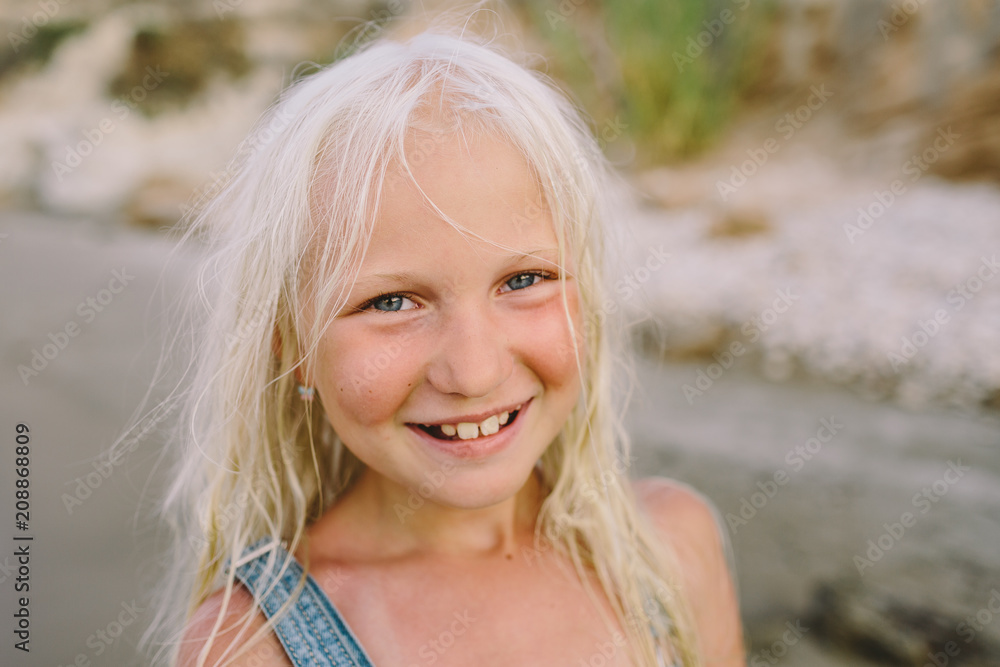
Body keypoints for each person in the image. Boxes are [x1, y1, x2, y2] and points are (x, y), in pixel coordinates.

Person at [141, 17, 744, 667]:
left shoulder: (670, 550)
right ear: (292, 345)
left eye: (523, 279)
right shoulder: (253, 646)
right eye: (392, 302)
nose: (475, 371)